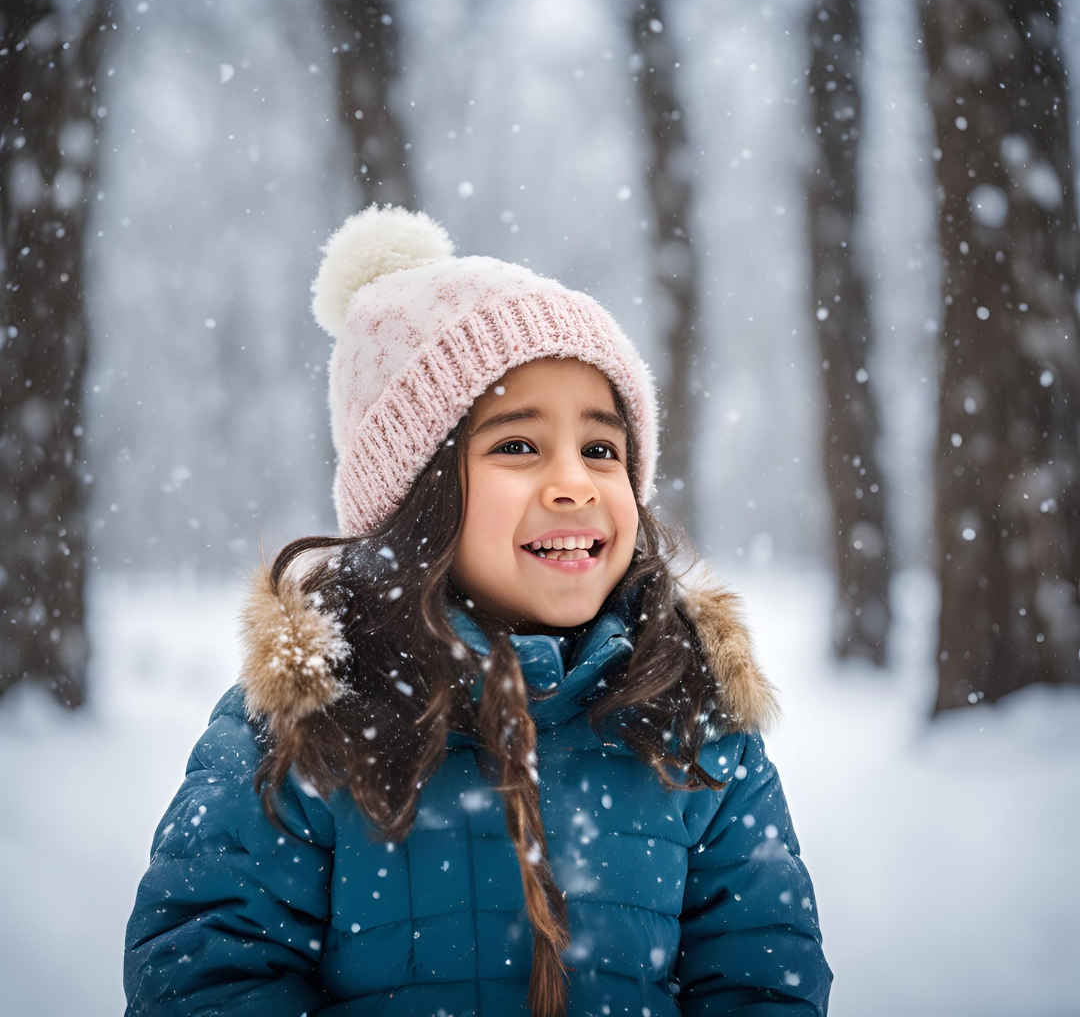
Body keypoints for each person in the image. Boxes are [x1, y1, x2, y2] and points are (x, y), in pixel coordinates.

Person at [123, 205, 833, 1016]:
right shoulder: (305, 728)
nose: (574, 482)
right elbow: (207, 977)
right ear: (414, 500)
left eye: (602, 449)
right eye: (518, 446)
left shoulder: (689, 721)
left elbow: (762, 978)